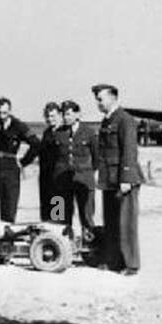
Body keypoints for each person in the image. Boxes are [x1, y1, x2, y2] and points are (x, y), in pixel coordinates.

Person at [93, 83, 143, 275]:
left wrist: (127, 178)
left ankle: (131, 264)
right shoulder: (107, 120)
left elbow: (129, 150)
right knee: (111, 222)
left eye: (100, 99)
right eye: (97, 99)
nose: (98, 103)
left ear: (113, 98)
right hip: (109, 179)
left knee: (126, 223)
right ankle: (113, 260)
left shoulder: (125, 119)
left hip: (123, 179)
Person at [59, 99, 99, 244]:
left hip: (84, 180)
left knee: (87, 215)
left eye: (68, 114)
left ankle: (90, 246)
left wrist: (87, 172)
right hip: (64, 181)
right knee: (61, 214)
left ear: (77, 114)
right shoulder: (59, 132)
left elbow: (97, 158)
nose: (65, 117)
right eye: (63, 114)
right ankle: (64, 244)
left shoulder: (89, 132)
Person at [29, 102, 65, 224]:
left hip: (59, 179)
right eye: (48, 116)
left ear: (60, 115)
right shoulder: (47, 133)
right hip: (45, 177)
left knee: (58, 211)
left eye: (53, 116)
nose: (50, 119)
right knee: (45, 211)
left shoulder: (65, 132)